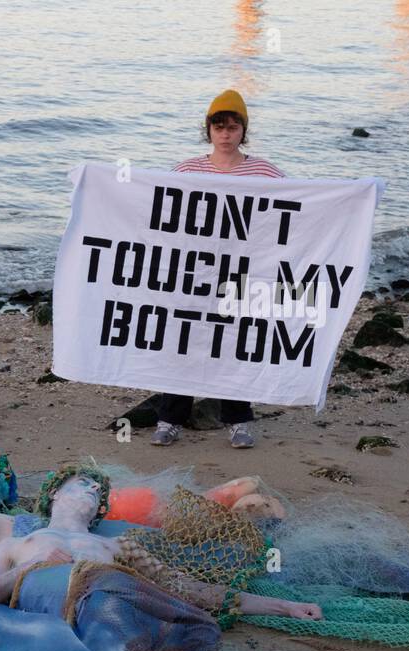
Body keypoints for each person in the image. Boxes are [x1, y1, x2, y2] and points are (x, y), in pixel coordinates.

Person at [0, 467, 321, 621]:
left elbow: (193, 591)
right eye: (82, 484)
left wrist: (284, 606)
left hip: (110, 619)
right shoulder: (19, 544)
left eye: (96, 491)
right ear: (54, 493)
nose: (90, 491)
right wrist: (28, 569)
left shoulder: (118, 546)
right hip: (44, 629)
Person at [151, 89, 285, 450]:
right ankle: (169, 418)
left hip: (242, 271)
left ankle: (239, 422)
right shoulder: (187, 170)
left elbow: (296, 210)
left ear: (244, 130)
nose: (225, 133)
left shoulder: (264, 172)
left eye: (233, 126)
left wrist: (358, 196)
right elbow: (162, 214)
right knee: (182, 340)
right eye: (218, 126)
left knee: (233, 342)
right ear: (207, 130)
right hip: (193, 271)